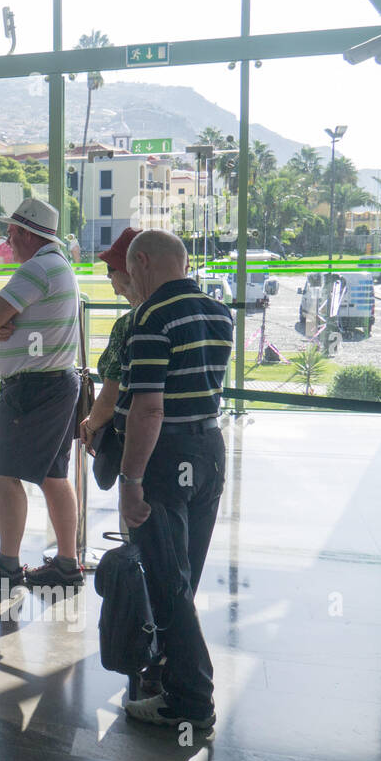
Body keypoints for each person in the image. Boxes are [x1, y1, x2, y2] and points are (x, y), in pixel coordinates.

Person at [116, 229, 233, 731]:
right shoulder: (217, 310)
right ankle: (169, 669)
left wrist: (130, 479)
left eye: (129, 266)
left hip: (165, 457)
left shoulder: (152, 317)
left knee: (169, 584)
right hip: (209, 450)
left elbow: (149, 407)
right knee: (184, 574)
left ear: (142, 261)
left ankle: (190, 700)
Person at [0, 197, 82, 591]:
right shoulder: (59, 265)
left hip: (31, 388)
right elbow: (11, 320)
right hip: (59, 385)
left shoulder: (36, 269)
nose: (7, 239)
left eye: (12, 232)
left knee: (2, 472)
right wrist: (6, 323)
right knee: (53, 474)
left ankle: (8, 565)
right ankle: (66, 563)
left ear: (28, 234)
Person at [79, 227, 142, 446]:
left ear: (129, 271)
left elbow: (111, 395)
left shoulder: (129, 325)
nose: (108, 276)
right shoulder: (210, 313)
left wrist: (90, 425)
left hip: (139, 440)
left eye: (110, 269)